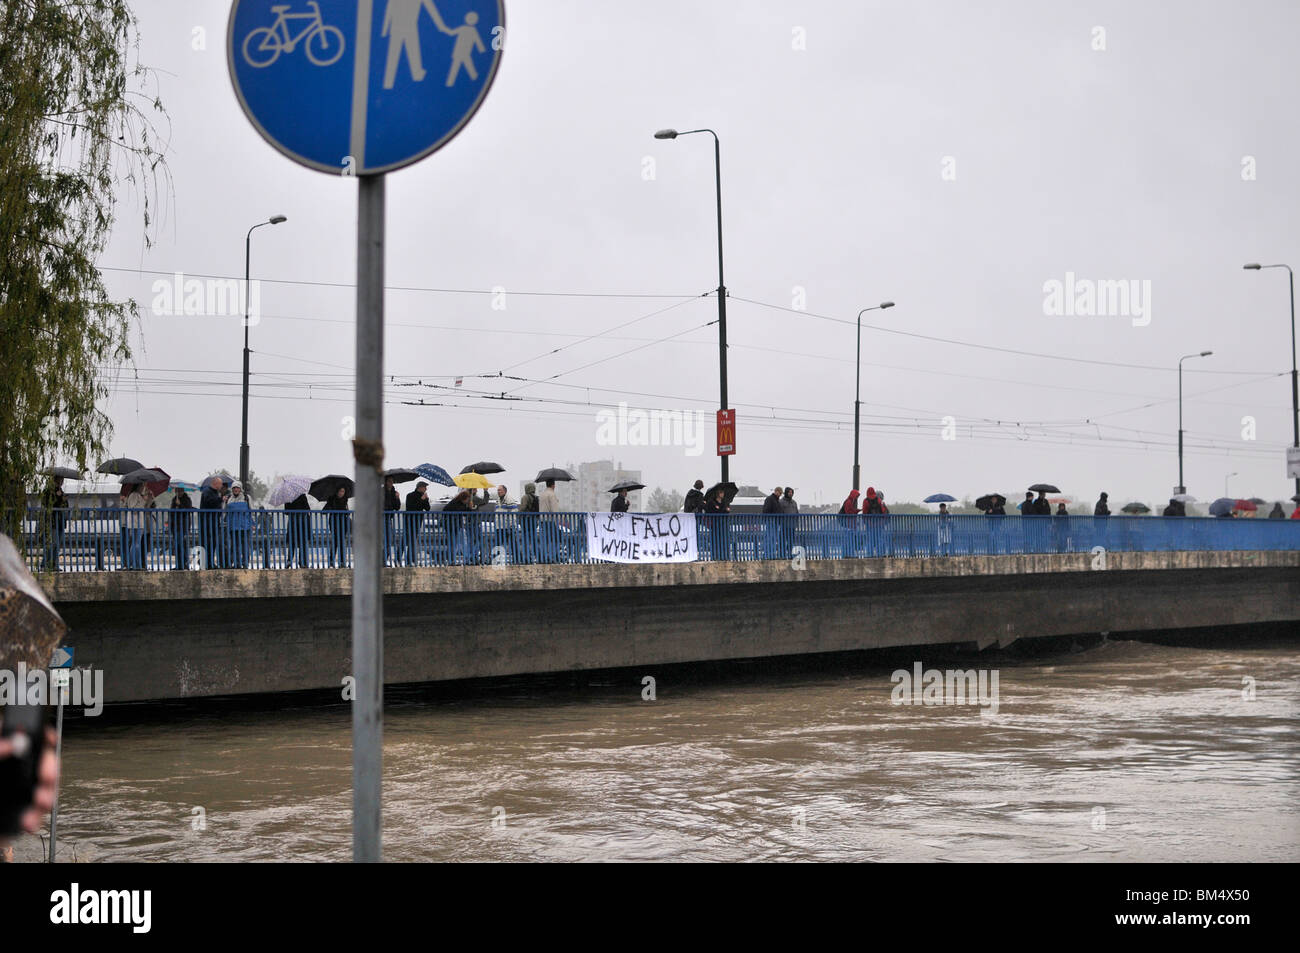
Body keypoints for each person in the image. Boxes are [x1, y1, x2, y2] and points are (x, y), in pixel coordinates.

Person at [39, 476, 68, 571]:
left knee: (57, 544)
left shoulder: (61, 491)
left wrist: (63, 499)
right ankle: (46, 564)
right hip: (52, 522)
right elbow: (47, 503)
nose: (61, 482)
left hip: (60, 522)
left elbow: (64, 506)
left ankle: (53, 564)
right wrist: (57, 496)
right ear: (55, 480)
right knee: (52, 544)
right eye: (60, 479)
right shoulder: (48, 491)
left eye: (62, 480)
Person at [225, 482, 252, 569]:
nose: (236, 489)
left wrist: (253, 523)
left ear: (240, 489)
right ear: (232, 489)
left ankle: (245, 563)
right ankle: (236, 563)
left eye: (237, 488)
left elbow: (252, 510)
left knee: (245, 546)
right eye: (234, 488)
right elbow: (224, 511)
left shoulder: (246, 498)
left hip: (245, 526)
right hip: (233, 526)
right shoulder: (229, 498)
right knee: (234, 546)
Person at [323, 485, 351, 567]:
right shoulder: (332, 499)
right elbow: (324, 511)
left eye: (343, 491)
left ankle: (342, 562)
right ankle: (332, 560)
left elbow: (347, 512)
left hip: (343, 523)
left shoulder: (345, 500)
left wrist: (347, 511)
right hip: (334, 522)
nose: (341, 493)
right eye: (340, 491)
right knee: (335, 541)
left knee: (342, 541)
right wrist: (330, 507)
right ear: (337, 491)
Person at [403, 481, 430, 566]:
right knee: (405, 540)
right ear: (420, 487)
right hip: (410, 521)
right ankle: (399, 557)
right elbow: (411, 507)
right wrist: (421, 500)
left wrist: (426, 500)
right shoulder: (410, 495)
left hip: (418, 521)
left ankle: (410, 559)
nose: (426, 489)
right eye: (425, 487)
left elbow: (427, 508)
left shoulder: (423, 496)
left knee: (413, 540)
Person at [200, 477, 224, 569]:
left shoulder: (215, 492)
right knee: (208, 543)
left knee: (212, 543)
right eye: (220, 484)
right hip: (207, 522)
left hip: (213, 521)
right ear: (215, 483)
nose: (221, 486)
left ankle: (210, 562)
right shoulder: (207, 491)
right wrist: (220, 499)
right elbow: (209, 502)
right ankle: (207, 563)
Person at [123, 483, 149, 569]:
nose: (143, 488)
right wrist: (142, 502)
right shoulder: (134, 495)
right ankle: (134, 563)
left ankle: (134, 563)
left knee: (135, 543)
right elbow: (133, 508)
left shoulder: (137, 495)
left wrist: (147, 499)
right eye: (142, 486)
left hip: (138, 523)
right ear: (138, 486)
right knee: (136, 544)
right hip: (135, 523)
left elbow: (144, 507)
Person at [169, 485, 194, 569]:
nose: (178, 492)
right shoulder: (174, 499)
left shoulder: (187, 499)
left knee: (183, 545)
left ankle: (185, 564)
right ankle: (178, 565)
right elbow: (172, 513)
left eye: (180, 491)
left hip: (183, 526)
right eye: (177, 491)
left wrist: (179, 505)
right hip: (175, 526)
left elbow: (187, 511)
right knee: (177, 546)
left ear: (183, 491)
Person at [704, 486, 730, 560]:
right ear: (718, 493)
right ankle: (715, 556)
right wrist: (722, 510)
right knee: (715, 539)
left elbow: (727, 510)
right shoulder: (712, 502)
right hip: (714, 524)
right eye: (721, 492)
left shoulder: (725, 501)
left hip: (723, 524)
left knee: (723, 540)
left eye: (723, 492)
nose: (723, 494)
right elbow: (709, 510)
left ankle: (724, 556)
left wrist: (722, 509)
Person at [539, 479, 561, 563]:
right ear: (553, 485)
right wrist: (557, 521)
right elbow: (554, 510)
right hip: (550, 521)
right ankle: (553, 557)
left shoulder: (542, 494)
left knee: (545, 540)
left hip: (542, 520)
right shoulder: (552, 494)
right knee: (554, 539)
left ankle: (544, 557)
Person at [383, 476, 402, 566]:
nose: (391, 483)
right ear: (386, 482)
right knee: (383, 540)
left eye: (392, 481)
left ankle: (383, 560)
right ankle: (381, 560)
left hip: (388, 518)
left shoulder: (394, 492)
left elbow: (397, 507)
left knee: (388, 540)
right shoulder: (381, 492)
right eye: (389, 481)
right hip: (381, 518)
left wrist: (397, 498)